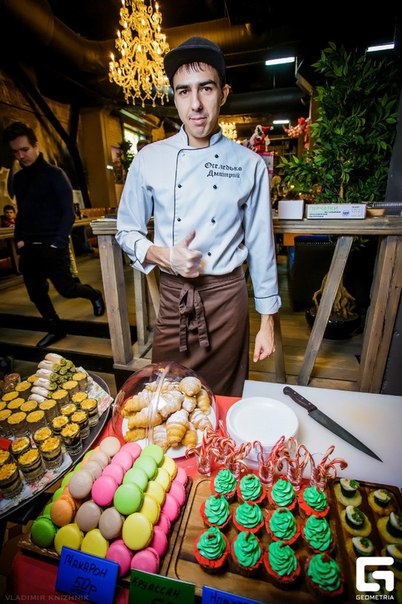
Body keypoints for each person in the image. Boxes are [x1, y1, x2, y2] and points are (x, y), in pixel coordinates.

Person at [116, 36, 281, 396]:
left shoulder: (249, 164)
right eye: (183, 91)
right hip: (174, 299)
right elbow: (126, 231)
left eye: (206, 88)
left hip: (227, 302)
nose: (195, 105)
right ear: (174, 97)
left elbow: (261, 247)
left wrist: (268, 321)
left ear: (223, 93)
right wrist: (164, 256)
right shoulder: (149, 159)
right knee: (165, 397)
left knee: (222, 399)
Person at [2, 121, 105, 348]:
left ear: (36, 146)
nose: (21, 156)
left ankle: (94, 294)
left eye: (25, 149)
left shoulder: (55, 174)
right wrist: (19, 240)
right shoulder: (19, 179)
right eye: (15, 152)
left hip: (52, 245)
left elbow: (68, 213)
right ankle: (55, 328)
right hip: (29, 246)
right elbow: (22, 212)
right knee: (36, 293)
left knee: (67, 289)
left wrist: (57, 243)